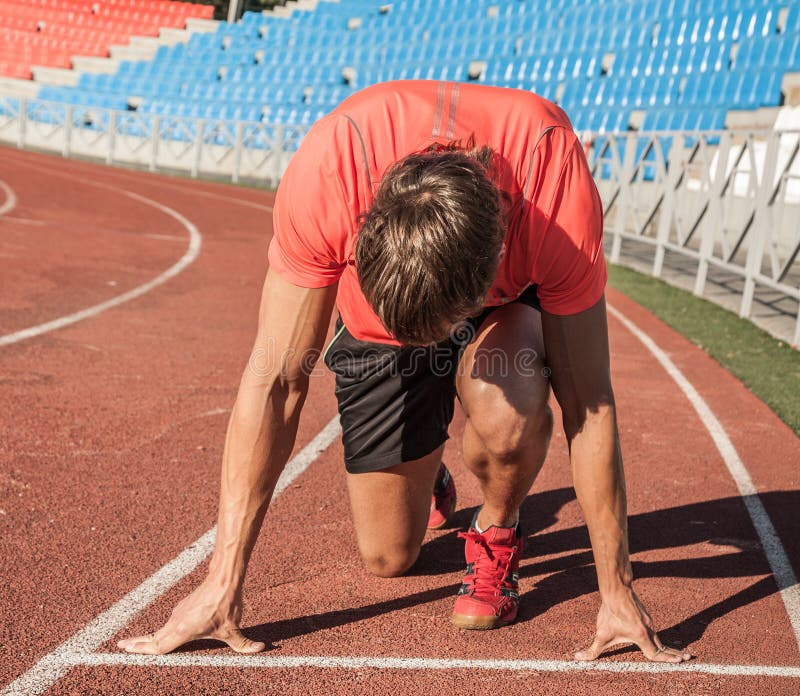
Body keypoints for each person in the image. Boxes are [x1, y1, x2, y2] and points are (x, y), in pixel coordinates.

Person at [119, 80, 691, 662]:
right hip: (379, 318)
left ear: (492, 266)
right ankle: (431, 473)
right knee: (389, 557)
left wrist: (617, 590)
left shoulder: (552, 178)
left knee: (508, 413)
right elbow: (276, 382)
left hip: (505, 311)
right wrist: (222, 583)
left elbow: (588, 399)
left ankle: (498, 525)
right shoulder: (331, 169)